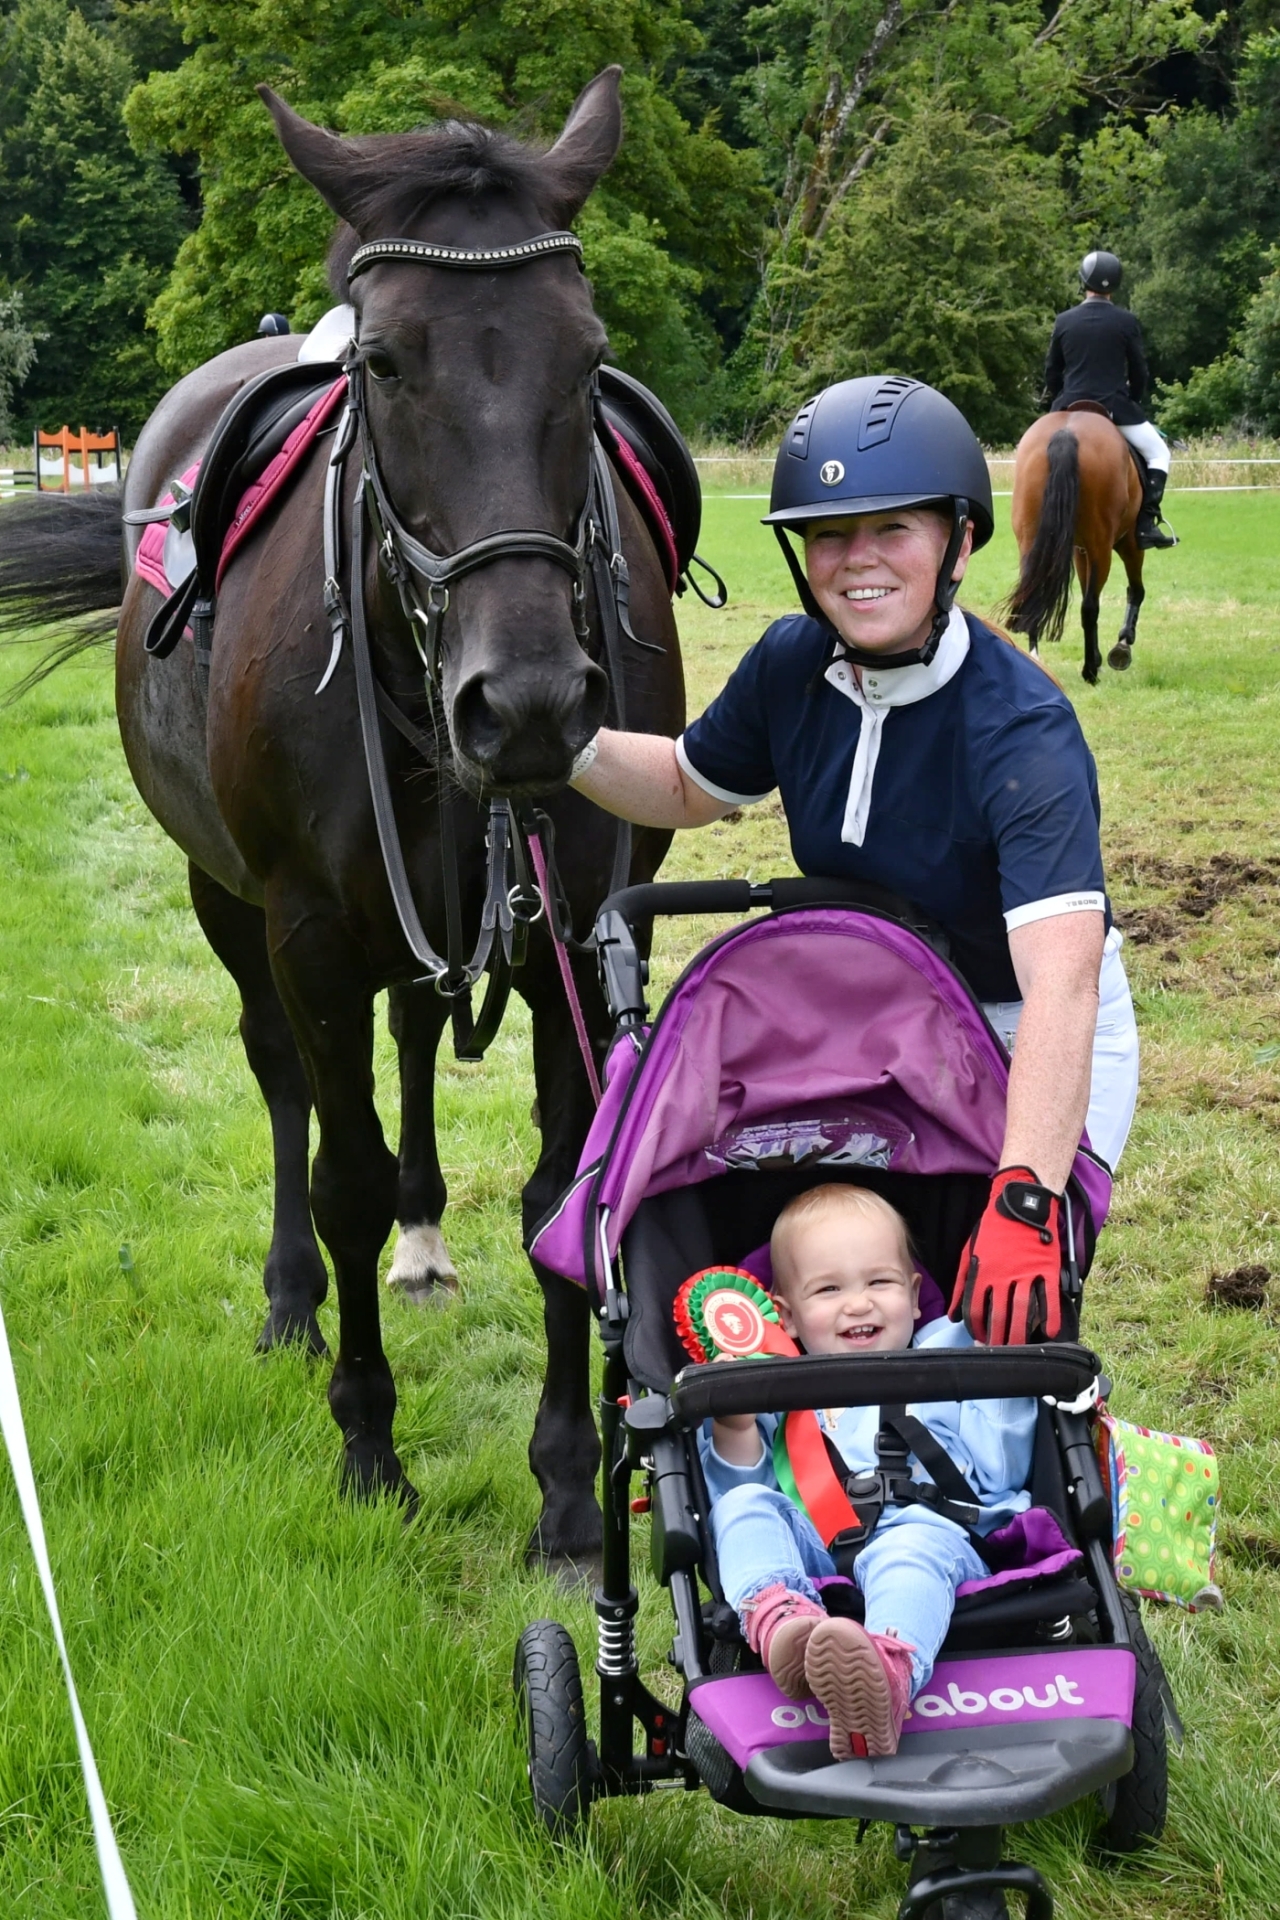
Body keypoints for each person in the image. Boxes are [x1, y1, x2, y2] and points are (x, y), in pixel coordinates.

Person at [570, 373, 1139, 1347]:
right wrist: (561, 744)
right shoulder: (791, 665)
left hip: (1012, 1023)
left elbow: (1062, 982)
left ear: (958, 541)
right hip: (868, 1016)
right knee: (835, 1270)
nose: (855, 561)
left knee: (986, 1315)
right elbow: (678, 787)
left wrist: (1026, 1197)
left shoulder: (1022, 731)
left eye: (893, 531)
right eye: (829, 535)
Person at [699, 1185, 1037, 1759]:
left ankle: (884, 1676)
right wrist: (734, 1426)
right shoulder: (780, 1388)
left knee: (908, 1554)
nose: (858, 1304)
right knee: (742, 1509)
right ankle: (783, 1622)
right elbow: (738, 1494)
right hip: (816, 1548)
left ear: (911, 1294)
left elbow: (999, 1468)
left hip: (931, 1528)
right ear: (787, 1315)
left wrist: (1002, 1358)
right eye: (829, 1289)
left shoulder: (952, 1355)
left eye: (878, 1283)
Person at [1044, 252, 1176, 550]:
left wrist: (1058, 402)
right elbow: (1140, 369)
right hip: (1115, 408)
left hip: (1068, 405)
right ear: (1114, 285)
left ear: (1083, 281)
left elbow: (1052, 370)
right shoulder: (1126, 321)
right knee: (1159, 454)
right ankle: (1145, 524)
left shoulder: (1064, 320)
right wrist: (1134, 400)